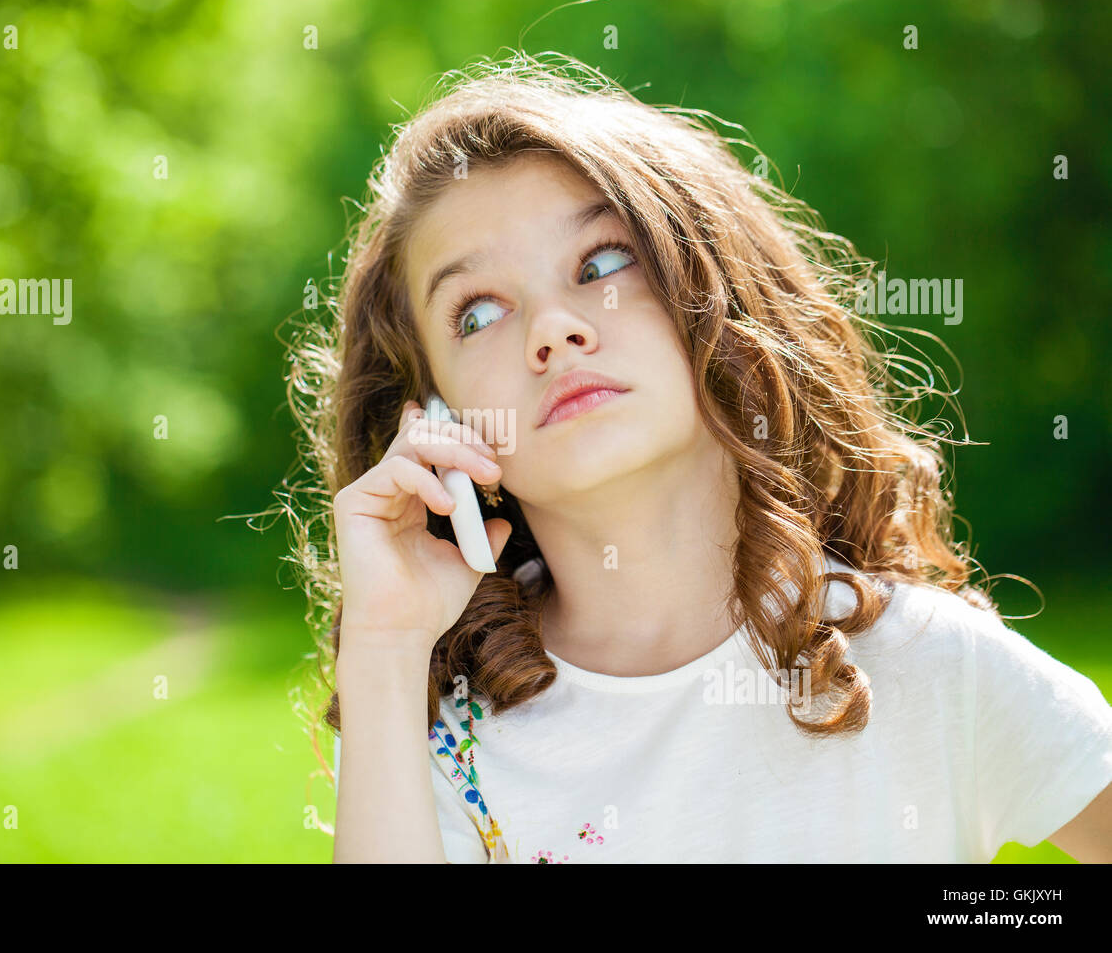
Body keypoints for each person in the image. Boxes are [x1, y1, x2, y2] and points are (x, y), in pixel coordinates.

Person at [275, 51, 1112, 862]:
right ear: (434, 417)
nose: (552, 330)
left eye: (602, 263)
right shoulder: (433, 731)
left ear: (717, 293)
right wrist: (384, 654)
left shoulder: (926, 664)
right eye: (477, 312)